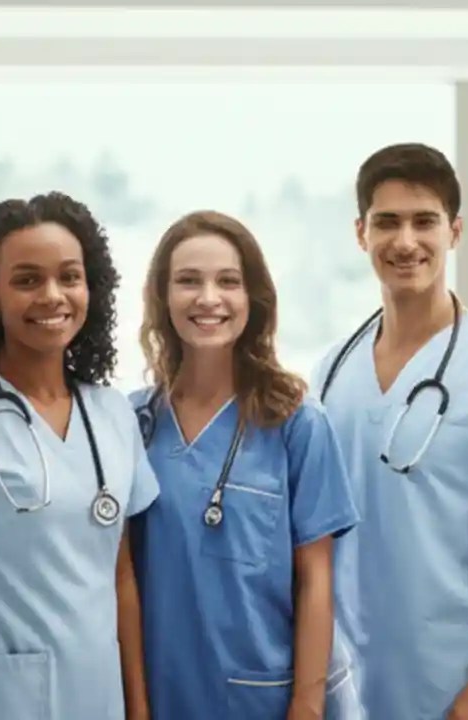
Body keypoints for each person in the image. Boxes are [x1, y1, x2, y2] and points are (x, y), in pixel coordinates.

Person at [314, 142, 468, 719]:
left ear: (455, 231)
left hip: (456, 680)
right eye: (387, 223)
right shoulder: (331, 370)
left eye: (424, 221)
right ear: (360, 233)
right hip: (348, 678)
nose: (406, 242)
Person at [0, 192, 157, 720]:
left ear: (92, 287)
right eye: (26, 279)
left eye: (69, 276)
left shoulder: (112, 414)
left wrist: (138, 708)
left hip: (98, 697)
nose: (52, 295)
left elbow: (122, 578)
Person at [130, 210, 362, 719]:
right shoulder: (133, 424)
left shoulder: (297, 423)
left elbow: (317, 580)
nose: (208, 298)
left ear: (251, 299)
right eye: (188, 281)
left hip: (264, 695)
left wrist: (306, 704)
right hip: (156, 693)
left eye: (227, 282)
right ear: (162, 297)